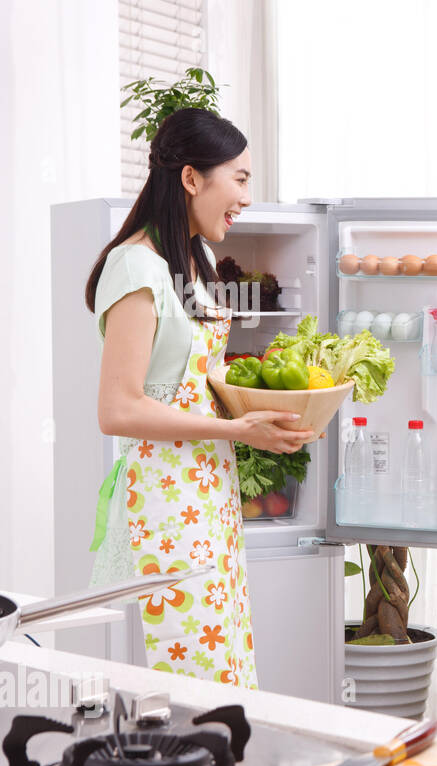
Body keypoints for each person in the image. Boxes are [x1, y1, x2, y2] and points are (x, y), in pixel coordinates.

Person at [85, 107, 317, 688]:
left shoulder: (195, 257)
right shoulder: (135, 266)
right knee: (196, 673)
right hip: (165, 494)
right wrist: (240, 432)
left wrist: (264, 407)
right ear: (192, 178)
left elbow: (203, 373)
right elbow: (118, 410)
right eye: (238, 179)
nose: (244, 198)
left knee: (230, 658)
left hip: (210, 485)